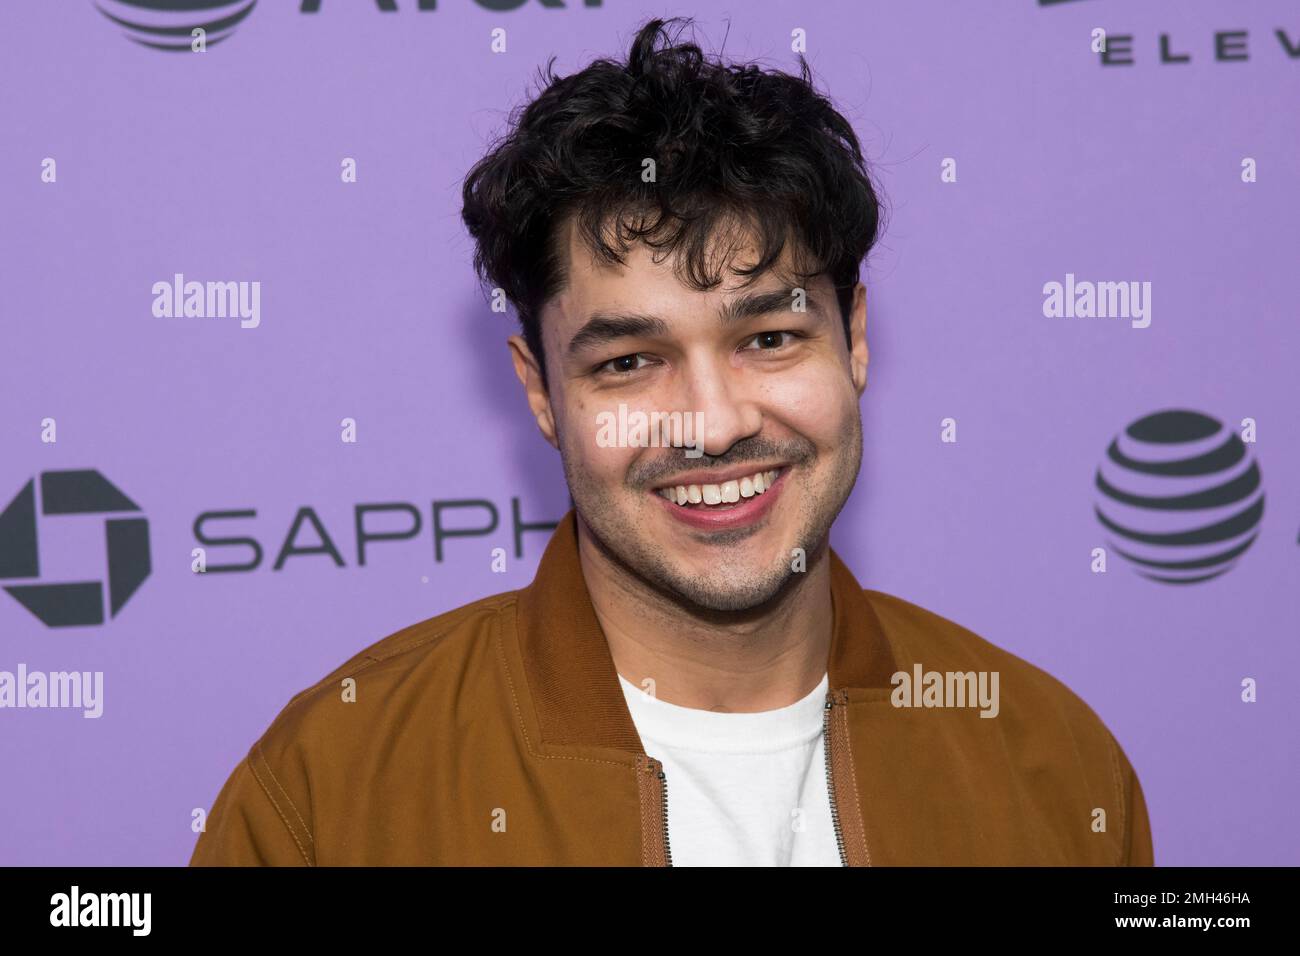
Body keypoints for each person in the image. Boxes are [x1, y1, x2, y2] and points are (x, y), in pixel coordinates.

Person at [190, 16, 1152, 866]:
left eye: (768, 339)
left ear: (855, 340)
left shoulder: (1052, 762)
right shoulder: (333, 793)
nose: (717, 422)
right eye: (628, 362)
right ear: (539, 392)